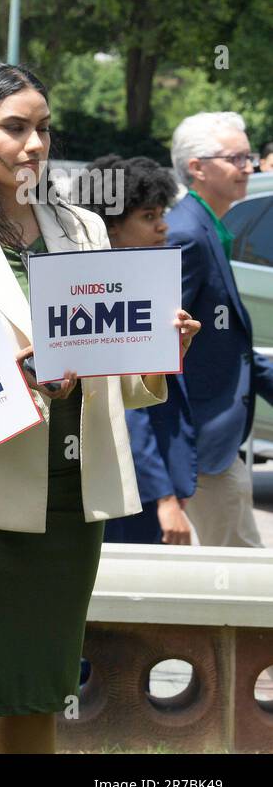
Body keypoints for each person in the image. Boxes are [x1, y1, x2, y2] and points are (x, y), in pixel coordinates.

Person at [0, 63, 199, 754]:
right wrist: (21, 378)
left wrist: (157, 351)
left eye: (43, 127)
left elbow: (114, 375)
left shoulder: (83, 228)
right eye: (14, 127)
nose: (35, 143)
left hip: (72, 504)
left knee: (40, 692)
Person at [155, 112, 271, 548]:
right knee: (243, 573)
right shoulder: (187, 234)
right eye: (235, 158)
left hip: (215, 440)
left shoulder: (210, 229)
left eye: (250, 156)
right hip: (201, 440)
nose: (249, 166)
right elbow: (159, 346)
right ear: (197, 167)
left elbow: (231, 343)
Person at [78, 154, 196, 545]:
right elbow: (128, 413)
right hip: (130, 488)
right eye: (148, 216)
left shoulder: (148, 281)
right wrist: (162, 497)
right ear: (110, 228)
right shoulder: (103, 294)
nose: (163, 225)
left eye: (161, 213)